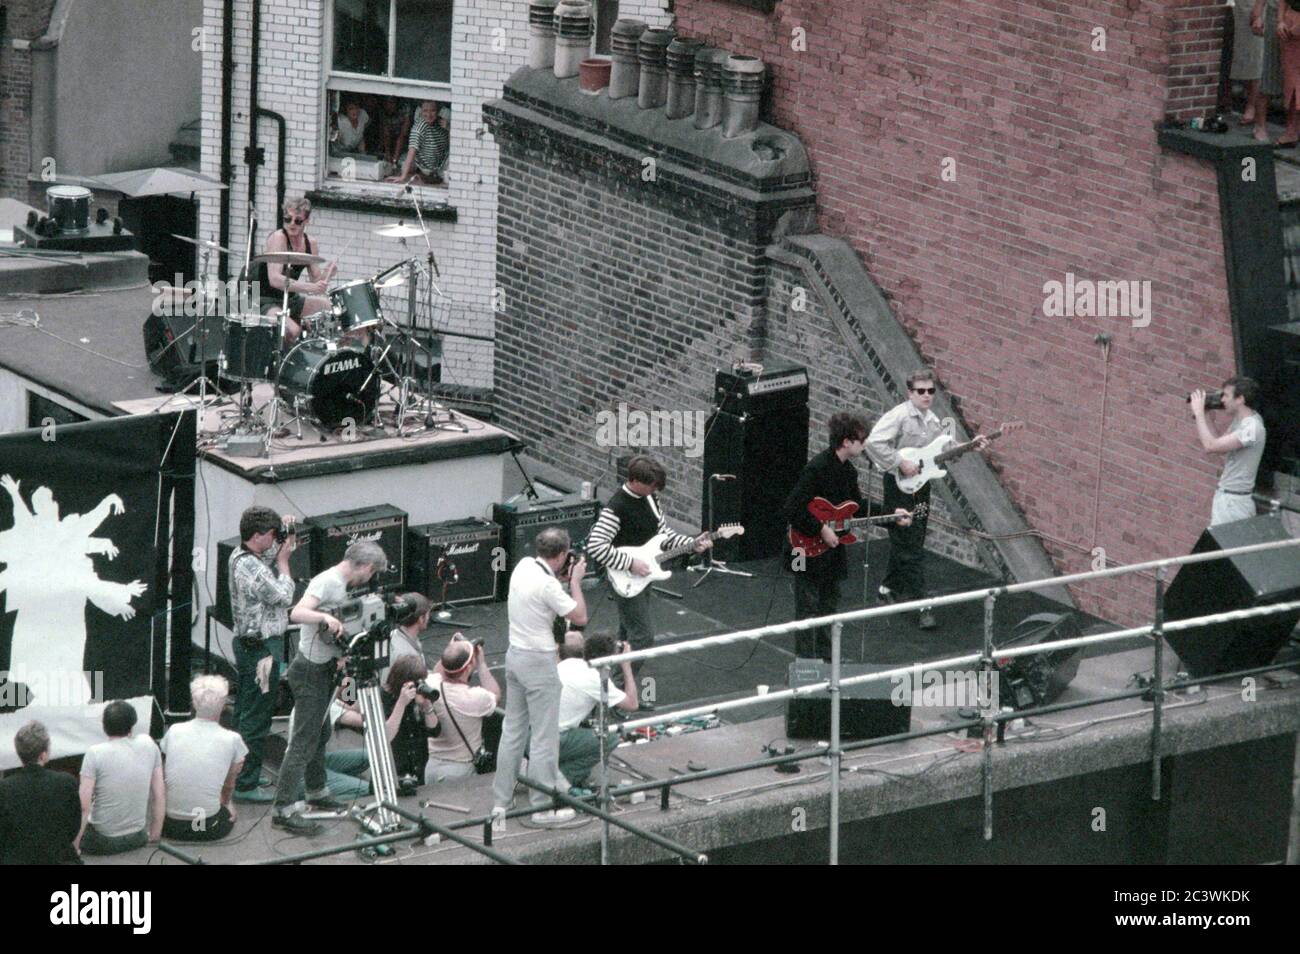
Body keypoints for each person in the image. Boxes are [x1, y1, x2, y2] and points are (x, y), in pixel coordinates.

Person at [272, 540, 388, 835]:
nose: (370, 577)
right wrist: (324, 616)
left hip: (326, 668)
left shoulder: (346, 584)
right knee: (303, 740)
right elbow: (296, 613)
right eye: (371, 571)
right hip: (310, 671)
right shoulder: (326, 582)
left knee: (321, 732)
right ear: (362, 565)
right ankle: (283, 809)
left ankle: (316, 790)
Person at [867, 369, 987, 631]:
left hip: (921, 488)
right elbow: (874, 442)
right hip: (898, 486)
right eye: (920, 391)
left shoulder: (933, 421)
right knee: (909, 544)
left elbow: (942, 452)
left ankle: (886, 589)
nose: (926, 396)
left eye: (930, 391)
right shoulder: (898, 416)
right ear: (910, 393)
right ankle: (922, 603)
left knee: (913, 539)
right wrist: (901, 462)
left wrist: (968, 447)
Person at [784, 412, 910, 659]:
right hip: (801, 548)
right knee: (807, 607)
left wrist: (892, 515)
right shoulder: (817, 468)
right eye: (861, 441)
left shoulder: (848, 472)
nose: (864, 446)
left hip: (830, 550)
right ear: (846, 442)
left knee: (828, 606)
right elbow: (792, 507)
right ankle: (806, 664)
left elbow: (856, 506)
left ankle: (826, 658)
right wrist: (821, 528)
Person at [491, 527, 589, 827]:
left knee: (513, 732)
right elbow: (580, 617)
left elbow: (545, 588)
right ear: (562, 555)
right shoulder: (550, 586)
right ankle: (542, 808)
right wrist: (575, 582)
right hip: (539, 661)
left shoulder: (522, 566)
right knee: (545, 738)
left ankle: (501, 803)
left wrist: (560, 578)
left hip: (514, 657)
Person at [586, 455, 711, 688]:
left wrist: (692, 542)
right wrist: (630, 563)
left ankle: (614, 688)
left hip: (643, 576)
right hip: (626, 576)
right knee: (643, 637)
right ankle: (620, 688)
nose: (655, 490)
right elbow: (595, 546)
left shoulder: (651, 498)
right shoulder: (616, 508)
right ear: (635, 481)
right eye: (652, 485)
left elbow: (664, 536)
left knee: (626, 636)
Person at [228, 506, 296, 803]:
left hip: (249, 647)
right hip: (262, 653)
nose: (273, 540)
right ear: (257, 535)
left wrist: (286, 537)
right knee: (256, 718)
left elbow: (266, 558)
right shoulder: (251, 567)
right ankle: (245, 784)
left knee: (245, 711)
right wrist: (284, 563)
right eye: (270, 535)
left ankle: (241, 773)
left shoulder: (241, 556)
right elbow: (284, 595)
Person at [159, 675, 246, 842]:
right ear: (222, 705)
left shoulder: (174, 730)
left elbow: (165, 775)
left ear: (194, 702)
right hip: (207, 826)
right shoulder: (232, 739)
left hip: (171, 826)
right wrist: (227, 804)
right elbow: (229, 785)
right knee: (226, 810)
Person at [75, 701, 164, 855]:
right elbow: (159, 793)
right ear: (132, 725)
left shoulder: (95, 753)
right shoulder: (148, 744)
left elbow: (84, 807)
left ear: (104, 726)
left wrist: (75, 846)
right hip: (138, 837)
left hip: (103, 841)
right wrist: (155, 833)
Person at [557, 631, 637, 790]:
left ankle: (544, 768)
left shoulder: (566, 663)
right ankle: (561, 780)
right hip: (553, 740)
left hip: (530, 736)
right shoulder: (595, 678)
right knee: (610, 739)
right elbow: (632, 704)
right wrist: (626, 665)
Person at [256, 196, 337, 345]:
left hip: (290, 298)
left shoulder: (310, 243)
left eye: (297, 220)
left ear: (307, 221)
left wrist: (328, 274)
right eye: (288, 219)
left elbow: (316, 282)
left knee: (330, 308)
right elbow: (274, 279)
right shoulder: (278, 238)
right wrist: (308, 287)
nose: (291, 224)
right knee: (293, 330)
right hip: (263, 298)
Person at [0, 721, 81, 864]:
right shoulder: (66, 782)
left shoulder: (5, 788)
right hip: (57, 858)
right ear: (43, 755)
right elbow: (73, 828)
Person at [1190, 377, 1266, 526]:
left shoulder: (1252, 428)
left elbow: (1210, 446)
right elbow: (1217, 447)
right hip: (1228, 499)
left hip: (1234, 503)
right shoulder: (1242, 421)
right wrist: (1206, 415)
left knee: (1226, 548)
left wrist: (1198, 413)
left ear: (1240, 399)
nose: (1222, 400)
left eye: (1226, 395)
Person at [426, 634, 501, 783]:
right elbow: (495, 694)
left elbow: (437, 672)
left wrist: (451, 650)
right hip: (459, 772)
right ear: (467, 668)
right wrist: (481, 663)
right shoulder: (474, 698)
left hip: (432, 768)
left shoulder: (431, 687)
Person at [380, 654, 441, 787]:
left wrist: (427, 706)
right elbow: (386, 736)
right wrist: (401, 703)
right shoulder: (383, 696)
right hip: (393, 770)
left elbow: (435, 731)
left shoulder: (419, 698)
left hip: (419, 767)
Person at [386, 101, 449, 185]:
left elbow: (457, 145)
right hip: (423, 166)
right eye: (425, 111)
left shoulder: (443, 123)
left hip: (441, 164)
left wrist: (449, 128)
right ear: (420, 111)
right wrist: (403, 176)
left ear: (438, 111)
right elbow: (412, 152)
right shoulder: (418, 128)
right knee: (404, 164)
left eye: (432, 110)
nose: (429, 114)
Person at [380, 592, 431, 684]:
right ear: (421, 618)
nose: (429, 618)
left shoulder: (393, 636)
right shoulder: (407, 656)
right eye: (428, 614)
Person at [380, 96, 412, 167]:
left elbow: (403, 133)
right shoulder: (383, 111)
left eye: (391, 103)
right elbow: (386, 134)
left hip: (406, 138)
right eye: (386, 103)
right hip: (391, 136)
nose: (389, 106)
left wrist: (395, 159)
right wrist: (388, 154)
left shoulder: (405, 108)